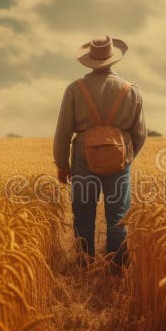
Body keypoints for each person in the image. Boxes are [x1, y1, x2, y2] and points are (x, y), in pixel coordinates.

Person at [53, 35, 146, 267]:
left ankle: (85, 266)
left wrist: (62, 164)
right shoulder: (130, 90)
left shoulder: (75, 89)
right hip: (119, 158)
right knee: (117, 218)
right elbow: (140, 133)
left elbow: (63, 131)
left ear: (90, 60)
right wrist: (126, 156)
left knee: (83, 216)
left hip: (84, 158)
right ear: (113, 59)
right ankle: (116, 270)